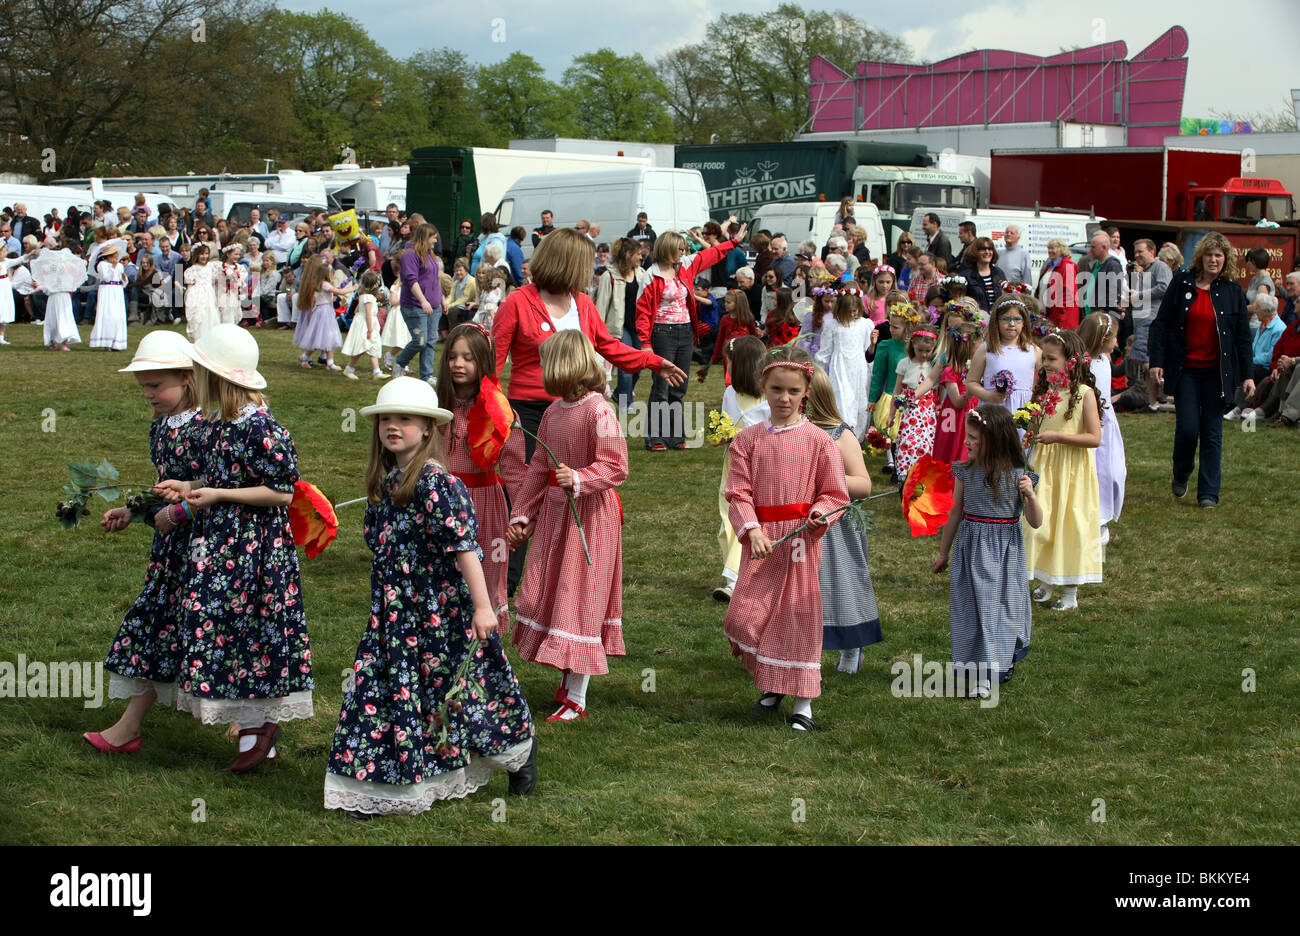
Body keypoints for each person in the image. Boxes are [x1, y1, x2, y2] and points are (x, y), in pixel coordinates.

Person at [324, 376, 535, 814]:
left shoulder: (438, 485)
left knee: (463, 695)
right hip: (394, 617)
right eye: (386, 420)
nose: (393, 427)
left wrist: (482, 607)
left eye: (405, 419)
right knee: (382, 692)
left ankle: (519, 751)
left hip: (443, 614)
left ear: (428, 429)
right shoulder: (387, 486)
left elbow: (466, 548)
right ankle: (377, 786)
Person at [154, 325, 311, 772]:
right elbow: (225, 475)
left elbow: (281, 492)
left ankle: (256, 729)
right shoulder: (221, 425)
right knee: (223, 626)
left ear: (216, 378)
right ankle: (256, 732)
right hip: (221, 545)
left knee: (248, 628)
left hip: (254, 549)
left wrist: (221, 495)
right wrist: (189, 485)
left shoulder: (261, 427)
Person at [85, 332, 203, 754]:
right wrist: (133, 511)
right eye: (144, 388)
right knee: (161, 630)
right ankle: (129, 726)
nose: (149, 395)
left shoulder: (211, 425)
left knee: (217, 634)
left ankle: (255, 724)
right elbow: (163, 488)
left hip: (212, 551)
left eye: (157, 386)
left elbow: (225, 485)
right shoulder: (160, 427)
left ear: (188, 378)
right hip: (171, 553)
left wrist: (184, 509)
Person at [506, 330, 629, 723]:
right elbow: (539, 467)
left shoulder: (599, 411)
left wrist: (578, 479)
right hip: (557, 517)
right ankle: (566, 676)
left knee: (580, 598)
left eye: (545, 363)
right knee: (552, 591)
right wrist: (523, 514)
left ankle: (578, 693)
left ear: (565, 365)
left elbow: (615, 465)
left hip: (590, 518)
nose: (541, 370)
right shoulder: (553, 412)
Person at [722, 355, 850, 731]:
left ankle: (803, 706)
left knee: (797, 617)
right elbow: (738, 493)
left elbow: (835, 493)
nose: (784, 397)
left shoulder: (820, 442)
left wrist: (821, 514)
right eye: (777, 389)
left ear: (806, 393)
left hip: (801, 543)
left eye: (793, 391)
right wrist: (751, 529)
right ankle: (772, 681)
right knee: (744, 616)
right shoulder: (747, 440)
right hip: (762, 542)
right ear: (764, 388)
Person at [932, 405, 1043, 696]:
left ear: (993, 440)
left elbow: (1035, 521)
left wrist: (1029, 495)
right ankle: (982, 669)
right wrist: (944, 553)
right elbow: (955, 512)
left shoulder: (1020, 475)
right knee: (975, 610)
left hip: (1005, 554)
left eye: (973, 438)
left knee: (1000, 610)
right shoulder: (966, 472)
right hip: (972, 551)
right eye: (967, 437)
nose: (966, 442)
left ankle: (995, 666)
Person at [1148, 232, 1253, 508]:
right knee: (1188, 428)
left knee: (1212, 432)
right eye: (1209, 254)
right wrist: (1157, 361)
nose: (1214, 260)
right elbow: (1162, 324)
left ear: (1225, 259)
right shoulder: (1182, 282)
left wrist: (1248, 375)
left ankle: (1208, 492)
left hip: (1217, 374)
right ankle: (1181, 472)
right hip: (1186, 371)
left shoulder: (1232, 291)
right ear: (1201, 257)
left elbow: (1242, 336)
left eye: (1219, 255)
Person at [636, 225, 745, 450]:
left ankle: (676, 437)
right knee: (662, 386)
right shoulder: (651, 275)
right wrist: (645, 343)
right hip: (661, 333)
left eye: (685, 249)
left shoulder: (685, 266)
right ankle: (655, 437)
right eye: (680, 249)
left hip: (685, 331)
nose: (684, 253)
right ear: (667, 250)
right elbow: (643, 313)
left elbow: (711, 254)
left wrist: (732, 243)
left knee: (680, 386)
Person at [805, 366, 882, 676]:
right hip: (796, 522)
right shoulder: (780, 430)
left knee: (838, 583)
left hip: (834, 525)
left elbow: (863, 484)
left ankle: (852, 645)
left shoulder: (840, 433)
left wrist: (826, 477)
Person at [1024, 330, 1103, 611]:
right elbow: (1039, 426)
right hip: (1045, 469)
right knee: (1040, 524)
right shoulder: (1045, 391)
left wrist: (1058, 437)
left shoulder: (1083, 394)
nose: (1044, 363)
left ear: (1071, 361)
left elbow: (1094, 438)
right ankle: (1045, 579)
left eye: (1051, 358)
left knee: (1069, 527)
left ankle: (1070, 593)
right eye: (1043, 357)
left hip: (1071, 474)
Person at [713, 336, 768, 602]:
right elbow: (725, 423)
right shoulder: (729, 394)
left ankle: (738, 579)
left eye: (730, 363)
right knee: (728, 519)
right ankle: (734, 575)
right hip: (732, 464)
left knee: (751, 517)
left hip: (759, 466)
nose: (727, 368)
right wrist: (720, 434)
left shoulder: (768, 397)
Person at [1078, 313, 1127, 546]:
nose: (1116, 342)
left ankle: (1104, 513)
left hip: (1107, 424)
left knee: (1113, 470)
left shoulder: (1105, 360)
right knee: (1093, 470)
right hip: (1089, 423)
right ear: (1101, 338)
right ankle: (1095, 518)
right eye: (1114, 337)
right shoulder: (1082, 364)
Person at [967, 292, 1040, 415]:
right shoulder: (987, 348)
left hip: (1023, 413)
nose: (1011, 324)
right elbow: (971, 382)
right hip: (994, 411)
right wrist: (989, 396)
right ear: (996, 321)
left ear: (1024, 322)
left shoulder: (1033, 350)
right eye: (1006, 319)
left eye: (1017, 319)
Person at [814, 286, 873, 439]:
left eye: (855, 310)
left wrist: (871, 369)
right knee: (842, 400)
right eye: (849, 311)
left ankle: (857, 437)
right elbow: (825, 351)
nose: (853, 314)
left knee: (859, 401)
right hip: (840, 368)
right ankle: (843, 434)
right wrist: (817, 370)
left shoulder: (865, 324)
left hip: (859, 368)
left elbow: (868, 350)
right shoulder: (832, 325)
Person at [930, 301, 983, 463]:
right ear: (967, 348)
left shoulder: (980, 367)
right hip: (955, 418)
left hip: (974, 413)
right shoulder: (951, 371)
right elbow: (958, 402)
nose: (982, 350)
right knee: (956, 450)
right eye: (978, 347)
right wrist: (971, 390)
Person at [395, 223, 444, 383]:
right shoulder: (410, 255)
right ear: (425, 237)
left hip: (434, 305)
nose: (436, 241)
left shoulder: (430, 255)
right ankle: (399, 363)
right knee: (419, 341)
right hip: (415, 306)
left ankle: (427, 375)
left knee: (430, 341)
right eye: (433, 237)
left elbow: (434, 280)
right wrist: (423, 301)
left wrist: (441, 299)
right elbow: (411, 280)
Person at [893, 327, 939, 481]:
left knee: (926, 442)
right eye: (920, 350)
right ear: (912, 345)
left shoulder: (934, 366)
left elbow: (939, 388)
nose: (924, 354)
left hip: (928, 413)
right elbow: (897, 389)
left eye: (928, 350)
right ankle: (906, 471)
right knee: (908, 440)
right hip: (910, 412)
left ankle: (925, 473)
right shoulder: (905, 363)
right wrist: (891, 414)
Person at [294, 256, 351, 372]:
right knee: (323, 336)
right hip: (324, 313)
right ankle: (310, 357)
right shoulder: (324, 284)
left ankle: (325, 360)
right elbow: (338, 291)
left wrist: (331, 299)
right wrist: (352, 287)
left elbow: (322, 298)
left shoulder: (318, 285)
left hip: (324, 311)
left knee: (327, 336)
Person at [341, 270, 385, 380]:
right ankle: (350, 369)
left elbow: (356, 311)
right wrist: (370, 330)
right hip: (367, 325)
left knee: (372, 347)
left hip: (364, 323)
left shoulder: (363, 296)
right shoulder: (369, 298)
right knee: (363, 347)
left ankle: (376, 371)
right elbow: (368, 315)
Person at [90, 244, 128, 351]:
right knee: (108, 315)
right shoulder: (102, 265)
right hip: (107, 290)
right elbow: (106, 278)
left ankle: (117, 342)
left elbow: (123, 282)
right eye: (115, 253)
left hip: (117, 291)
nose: (117, 255)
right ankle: (107, 342)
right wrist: (113, 267)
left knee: (118, 316)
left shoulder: (120, 265)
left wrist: (125, 278)